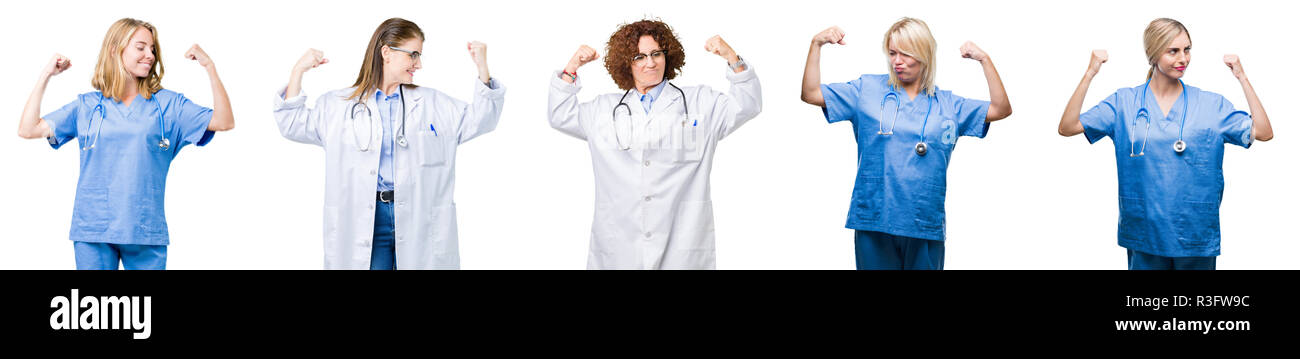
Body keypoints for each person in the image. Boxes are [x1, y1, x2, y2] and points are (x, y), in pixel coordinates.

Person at [273, 18, 505, 270]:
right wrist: (298, 70)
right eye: (413, 55)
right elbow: (292, 123)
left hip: (419, 217)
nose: (418, 64)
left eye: (419, 55)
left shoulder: (434, 104)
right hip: (366, 219)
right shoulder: (337, 105)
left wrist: (482, 68)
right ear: (386, 52)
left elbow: (483, 120)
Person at [17, 18, 235, 270]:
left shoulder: (169, 105)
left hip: (145, 229)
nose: (150, 55)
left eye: (152, 49)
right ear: (115, 50)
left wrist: (210, 67)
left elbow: (224, 121)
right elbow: (28, 129)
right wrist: (46, 75)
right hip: (94, 230)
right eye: (140, 47)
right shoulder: (88, 106)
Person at [1057, 18, 1273, 270]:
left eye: (1187, 49)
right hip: (1145, 231)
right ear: (1153, 53)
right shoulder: (1123, 103)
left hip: (1194, 232)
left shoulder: (1211, 105)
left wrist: (1242, 77)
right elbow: (1068, 127)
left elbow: (1263, 132)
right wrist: (1090, 73)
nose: (1183, 58)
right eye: (1173, 51)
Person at [547, 19, 761, 269]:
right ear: (626, 63)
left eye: (656, 54)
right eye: (639, 57)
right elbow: (559, 115)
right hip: (620, 248)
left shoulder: (700, 103)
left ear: (667, 56)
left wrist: (732, 58)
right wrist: (572, 68)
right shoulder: (604, 111)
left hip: (682, 249)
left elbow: (748, 104)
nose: (650, 63)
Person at [799, 18, 1011, 270]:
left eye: (906, 53)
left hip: (923, 221)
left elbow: (1001, 109)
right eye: (892, 53)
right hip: (874, 218)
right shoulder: (865, 90)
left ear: (924, 54)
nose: (897, 61)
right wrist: (816, 44)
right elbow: (811, 93)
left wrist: (984, 60)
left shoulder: (949, 105)